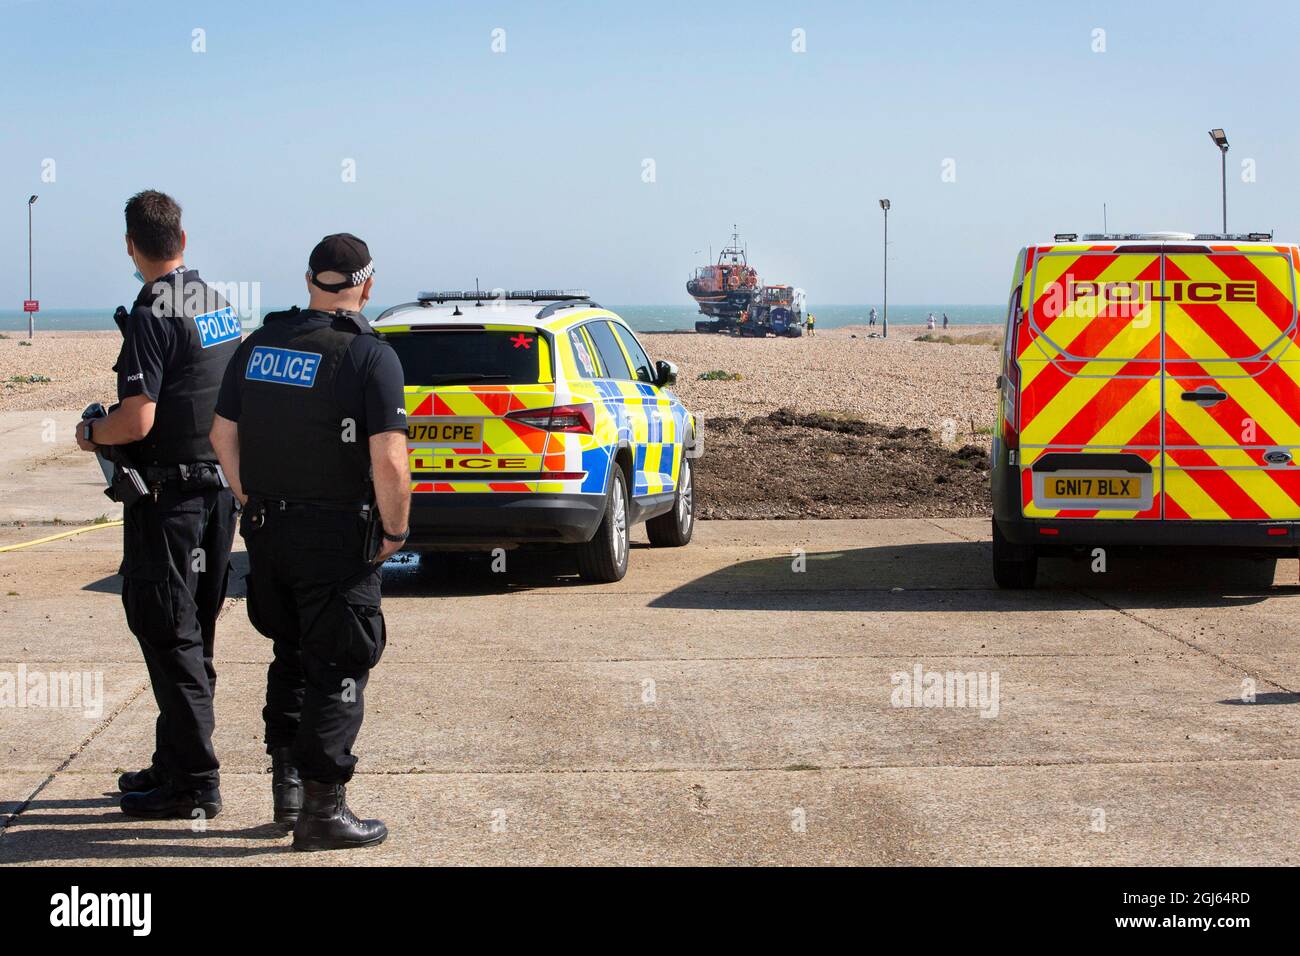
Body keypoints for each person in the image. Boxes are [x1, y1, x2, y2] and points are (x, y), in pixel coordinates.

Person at [209, 233, 410, 851]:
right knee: (339, 665)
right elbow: (391, 462)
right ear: (368, 285)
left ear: (308, 280)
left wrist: (250, 500)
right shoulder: (371, 358)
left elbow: (221, 437)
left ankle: (288, 790)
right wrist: (396, 529)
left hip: (270, 533)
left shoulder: (259, 344)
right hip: (337, 537)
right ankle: (323, 810)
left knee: (291, 655)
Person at [73, 190, 240, 819]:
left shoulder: (151, 312)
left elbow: (138, 420)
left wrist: (92, 431)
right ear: (184, 240)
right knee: (194, 636)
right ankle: (174, 760)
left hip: (169, 504)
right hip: (216, 497)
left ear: (130, 246)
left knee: (169, 635)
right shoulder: (215, 302)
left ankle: (195, 782)